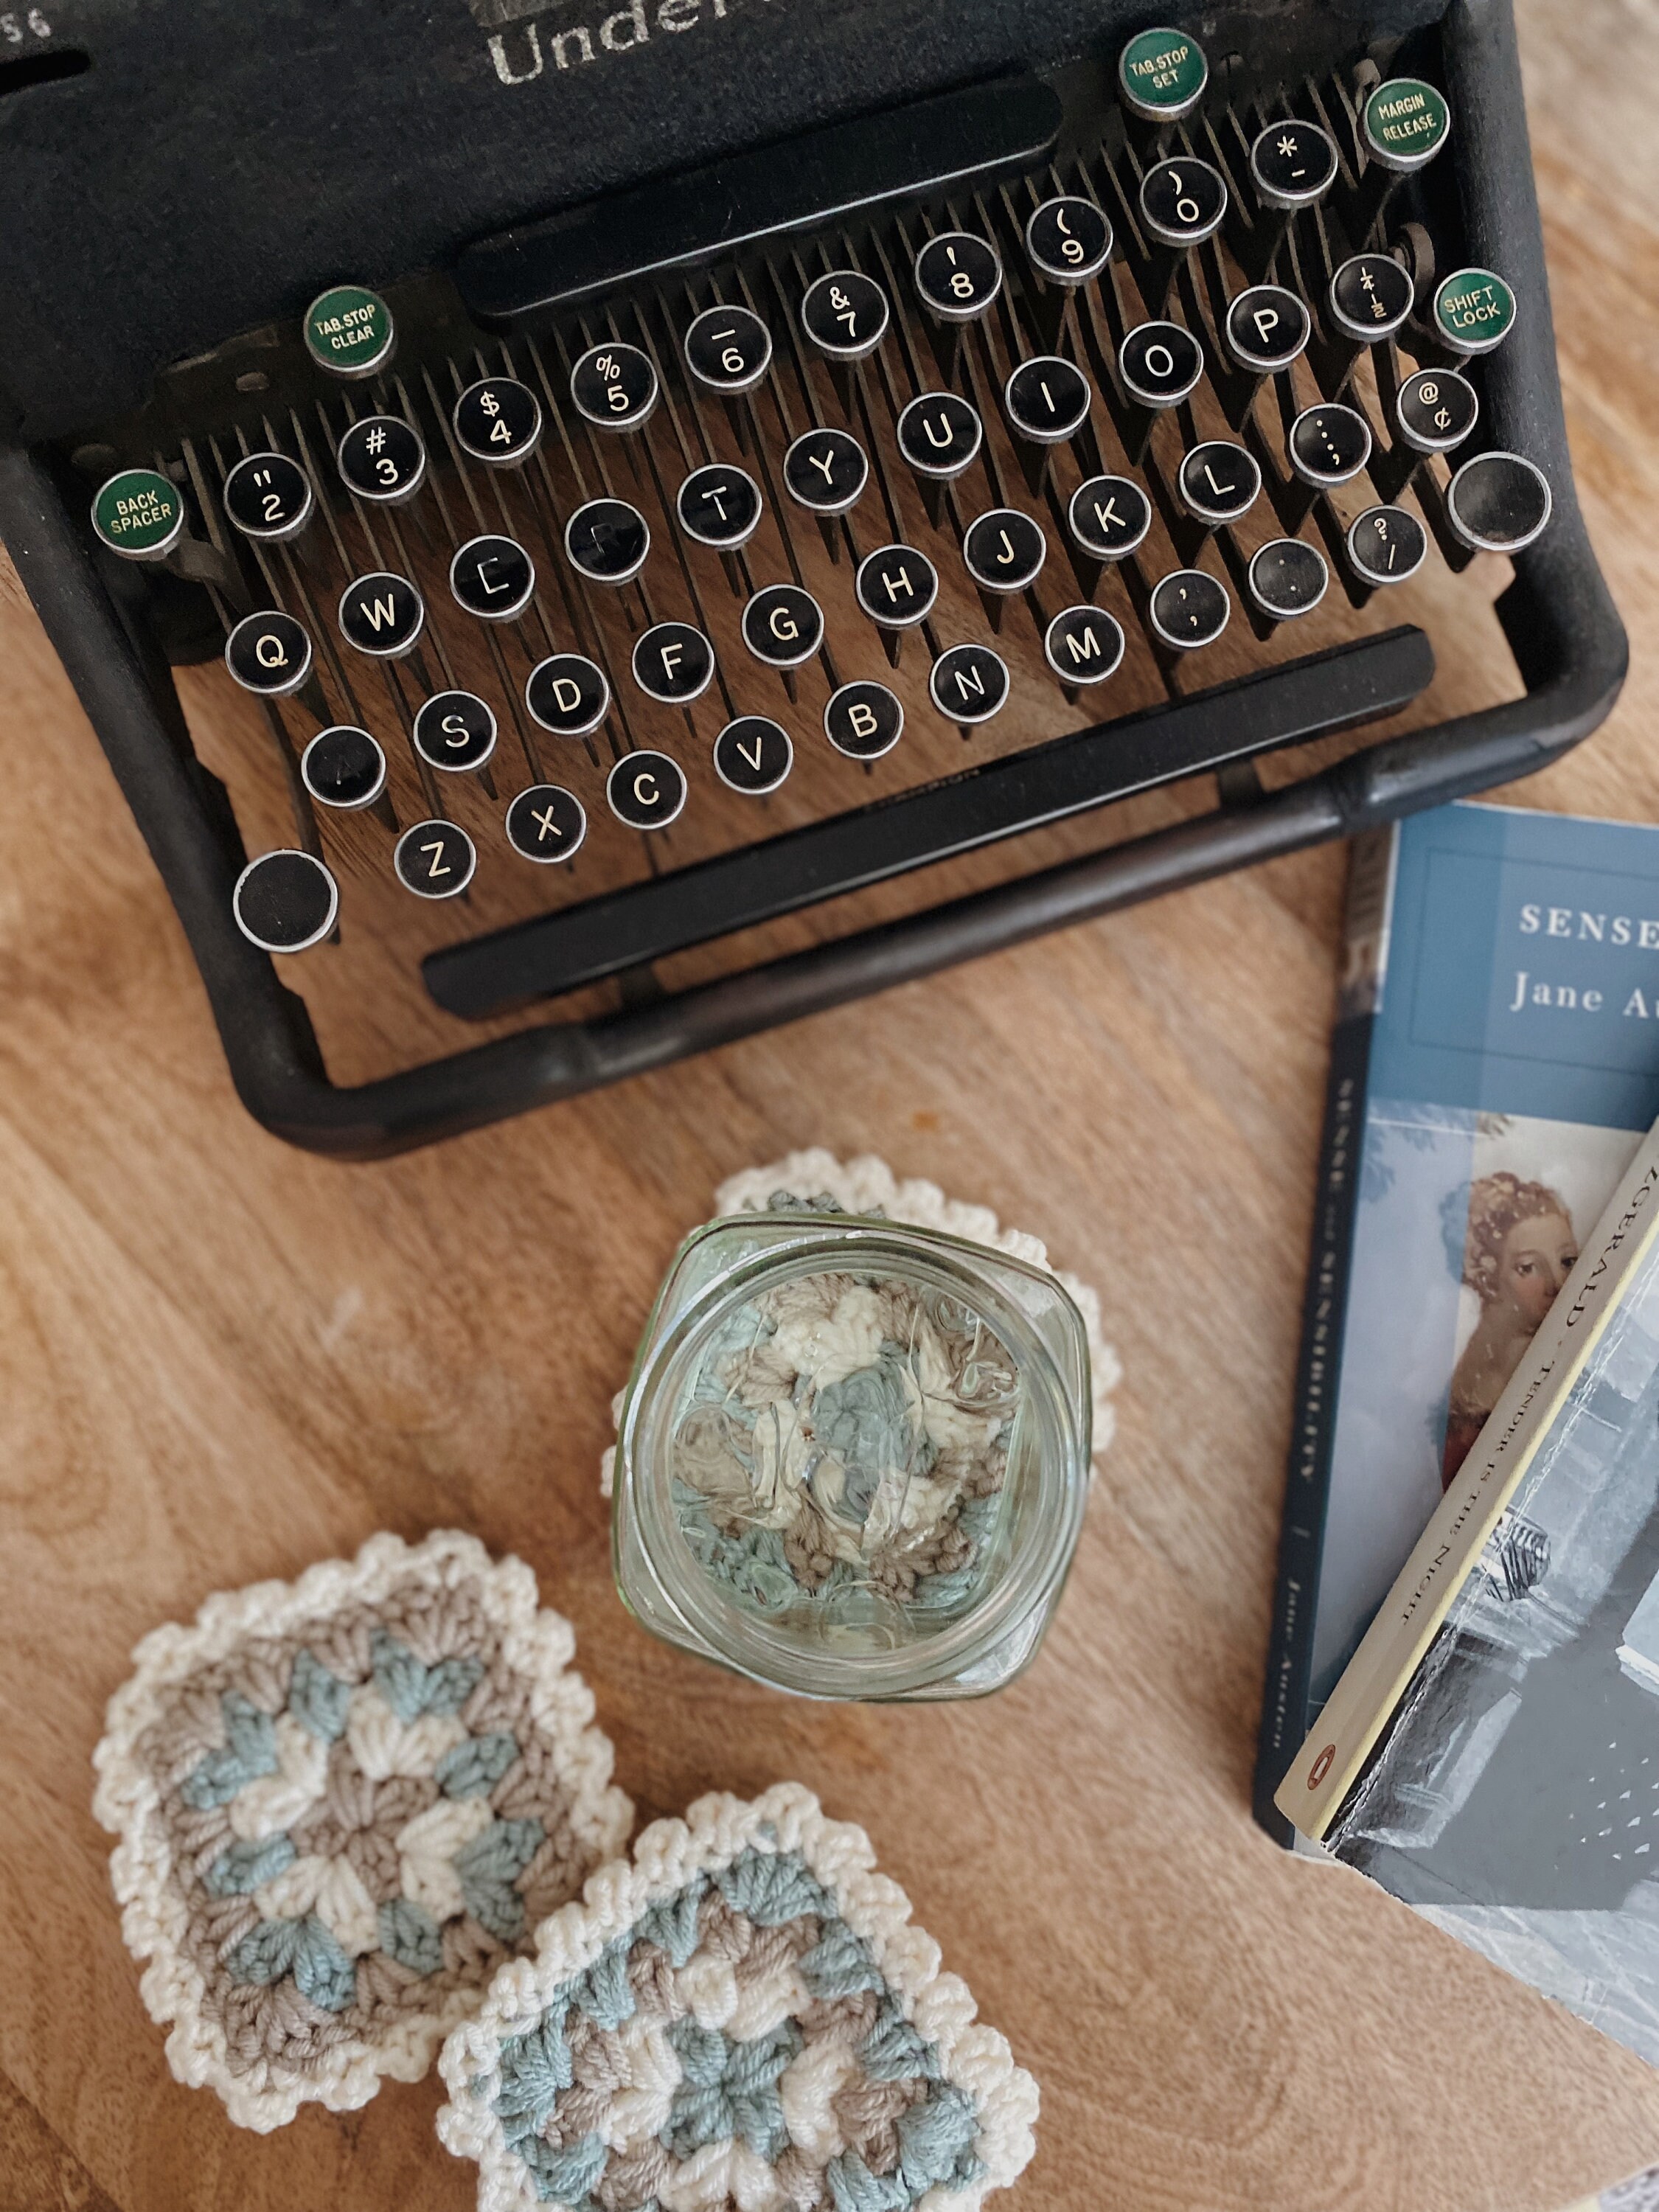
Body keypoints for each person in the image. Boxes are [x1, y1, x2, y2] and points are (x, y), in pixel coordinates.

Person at [1442, 1172, 1577, 1487]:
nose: (1557, 1284)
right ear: (1488, 1278)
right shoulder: (1468, 1395)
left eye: (1567, 1261)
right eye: (1528, 1268)